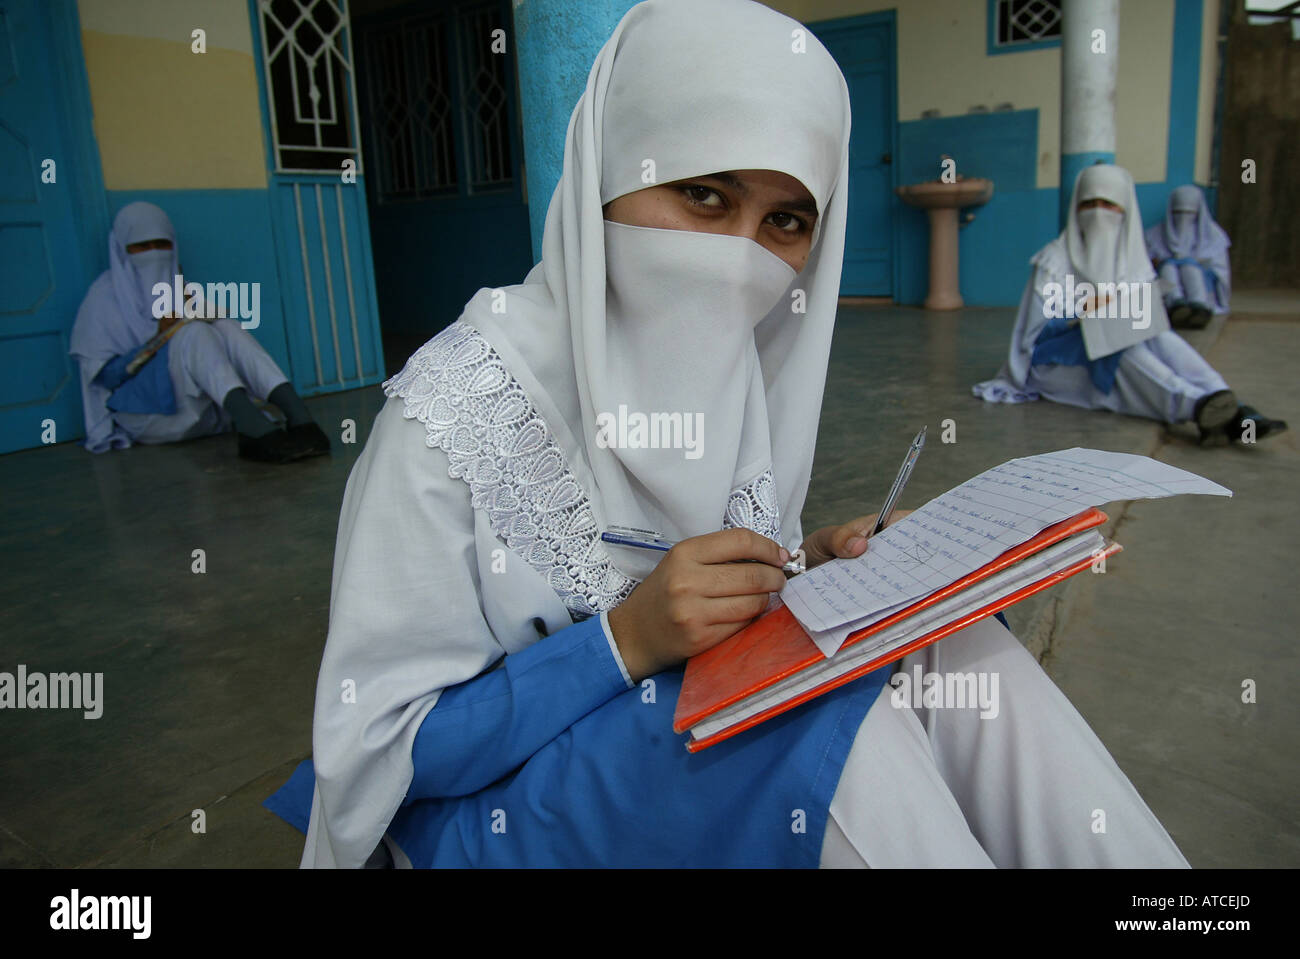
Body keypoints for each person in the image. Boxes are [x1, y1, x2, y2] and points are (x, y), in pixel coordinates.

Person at [295, 0, 1190, 868]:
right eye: (704, 194)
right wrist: (624, 643)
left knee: (961, 655)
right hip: (489, 809)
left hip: (679, 737)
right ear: (612, 168)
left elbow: (698, 593)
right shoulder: (457, 411)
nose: (737, 256)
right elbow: (376, 755)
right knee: (836, 737)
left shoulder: (735, 383)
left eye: (785, 221)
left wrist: (809, 569)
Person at [973, 164, 1285, 445]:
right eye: (1088, 205)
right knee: (1125, 347)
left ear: (1124, 211)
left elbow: (1146, 321)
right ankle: (1199, 406)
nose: (1098, 213)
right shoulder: (1053, 262)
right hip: (1055, 365)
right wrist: (1081, 315)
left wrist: (1119, 313)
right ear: (1075, 210)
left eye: (1108, 205)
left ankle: (1223, 400)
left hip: (1115, 351)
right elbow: (1031, 336)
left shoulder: (1133, 263)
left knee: (1154, 337)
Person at [69, 202, 331, 462]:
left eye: (162, 245)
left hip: (200, 415)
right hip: (147, 418)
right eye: (142, 247)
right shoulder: (103, 299)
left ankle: (300, 418)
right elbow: (105, 379)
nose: (154, 254)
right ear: (122, 251)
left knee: (224, 325)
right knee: (193, 332)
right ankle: (255, 430)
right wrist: (158, 337)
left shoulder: (180, 288)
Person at [1145, 184, 1231, 329]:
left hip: (1203, 280)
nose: (1183, 219)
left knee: (1189, 268)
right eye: (1178, 213)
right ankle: (1176, 305)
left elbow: (1221, 269)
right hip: (1166, 279)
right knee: (1168, 269)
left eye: (1189, 213)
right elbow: (1145, 263)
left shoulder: (1213, 235)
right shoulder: (1155, 234)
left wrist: (1194, 263)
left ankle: (1199, 306)